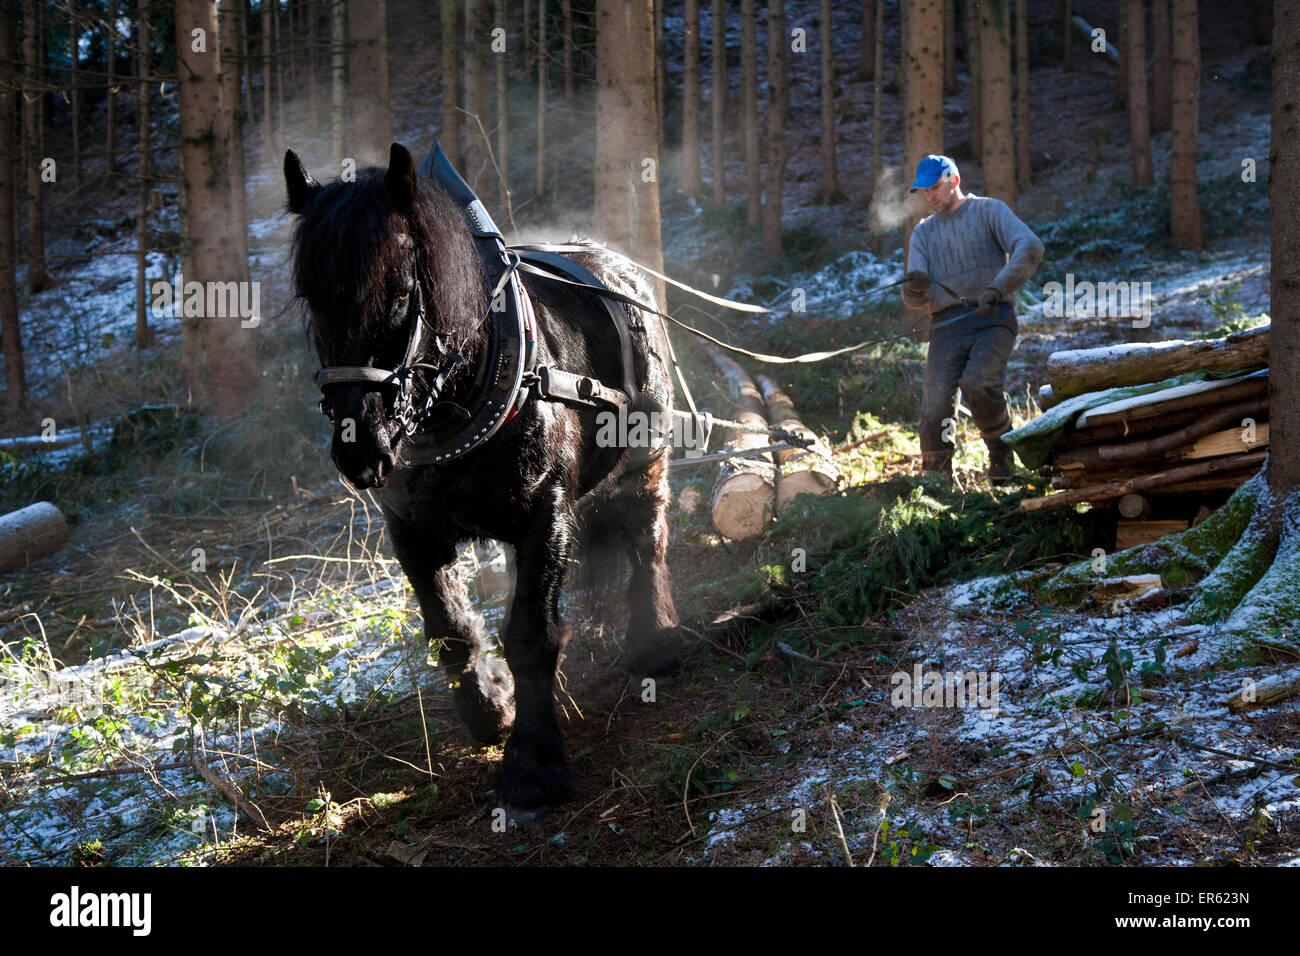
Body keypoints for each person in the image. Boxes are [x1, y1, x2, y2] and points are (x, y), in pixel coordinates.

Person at [900, 154, 1045, 483]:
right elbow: (913, 300)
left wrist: (999, 286)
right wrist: (916, 288)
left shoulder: (989, 211)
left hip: (992, 318)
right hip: (946, 327)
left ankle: (1000, 451)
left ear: (954, 179)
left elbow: (1030, 245)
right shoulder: (923, 234)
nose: (931, 196)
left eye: (936, 186)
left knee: (978, 384)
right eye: (925, 191)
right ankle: (938, 478)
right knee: (936, 410)